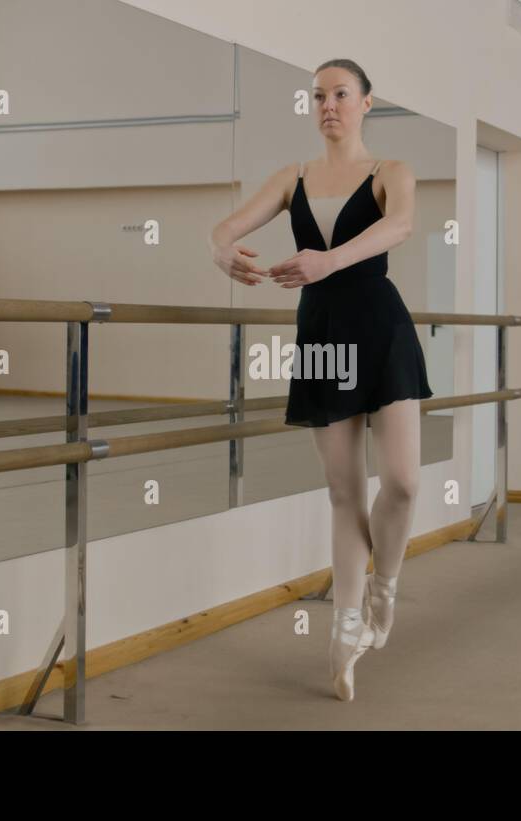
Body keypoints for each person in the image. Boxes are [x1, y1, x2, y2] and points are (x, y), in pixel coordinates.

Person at [208, 59, 432, 701]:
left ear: (367, 103)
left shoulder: (391, 172)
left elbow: (401, 226)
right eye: (318, 96)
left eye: (340, 94)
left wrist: (328, 260)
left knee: (404, 480)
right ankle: (346, 624)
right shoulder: (293, 178)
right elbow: (227, 226)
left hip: (380, 326)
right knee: (343, 492)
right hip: (321, 334)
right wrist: (220, 247)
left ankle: (384, 589)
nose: (328, 105)